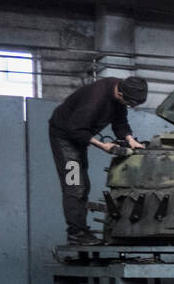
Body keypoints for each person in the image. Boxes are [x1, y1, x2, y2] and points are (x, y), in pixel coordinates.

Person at [48, 76, 148, 245]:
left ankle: (80, 231)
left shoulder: (119, 92)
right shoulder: (95, 99)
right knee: (75, 186)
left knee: (83, 185)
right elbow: (76, 130)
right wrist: (103, 146)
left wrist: (131, 140)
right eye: (130, 103)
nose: (130, 107)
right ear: (121, 93)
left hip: (79, 135)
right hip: (65, 138)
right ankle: (76, 235)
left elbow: (120, 122)